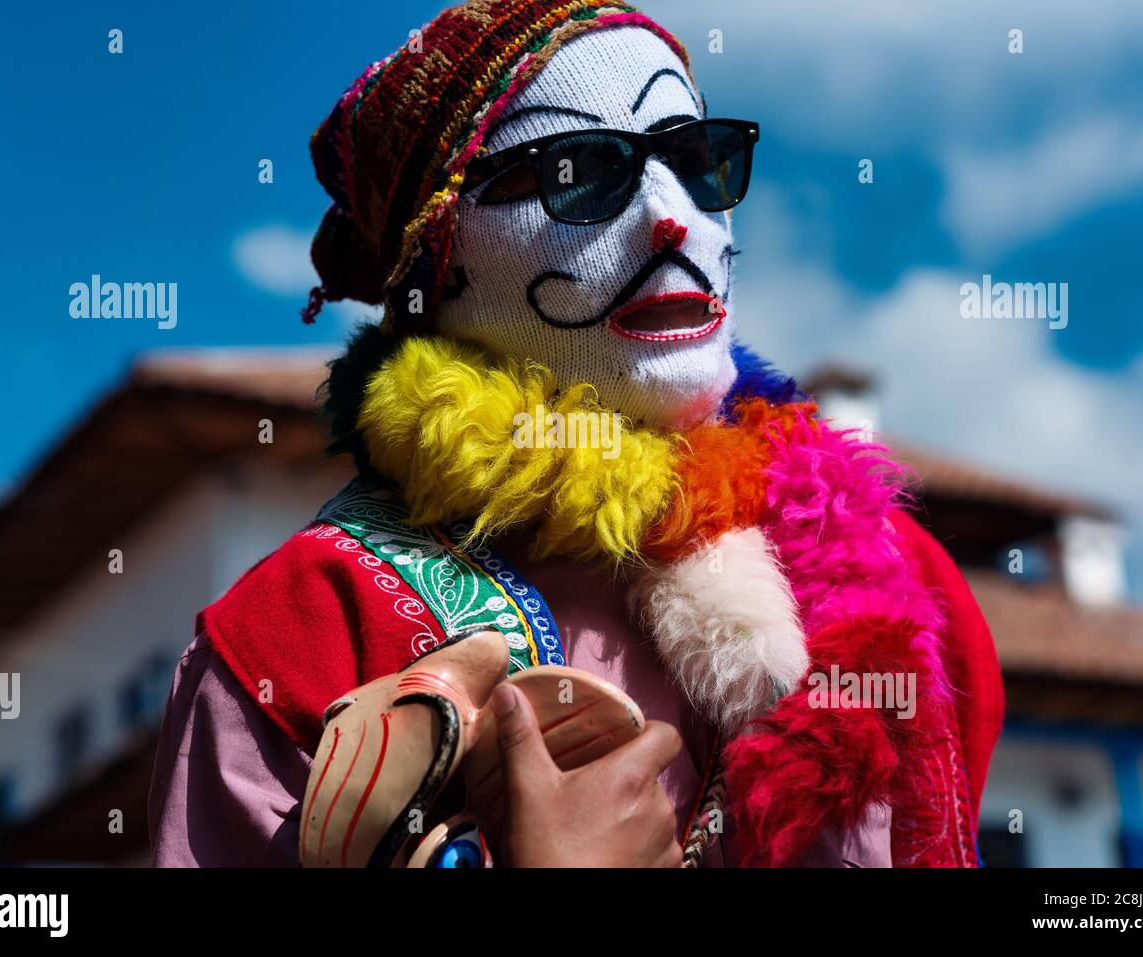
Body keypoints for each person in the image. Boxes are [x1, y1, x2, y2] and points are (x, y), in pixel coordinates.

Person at [149, 0, 1004, 868]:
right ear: (439, 259)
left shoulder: (896, 575)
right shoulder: (299, 635)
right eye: (577, 169)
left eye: (695, 160)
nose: (672, 217)